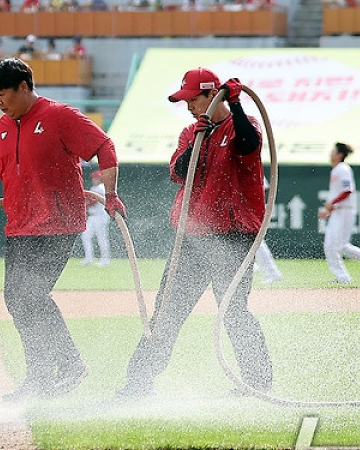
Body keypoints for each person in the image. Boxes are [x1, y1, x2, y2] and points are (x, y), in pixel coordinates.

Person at [0, 58, 125, 401]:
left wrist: (110, 194)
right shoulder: (4, 126)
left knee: (30, 295)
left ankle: (70, 365)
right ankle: (39, 379)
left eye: (2, 93)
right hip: (20, 225)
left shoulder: (60, 116)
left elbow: (103, 147)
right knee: (17, 300)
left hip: (57, 223)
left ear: (24, 86)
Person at [116, 68, 272, 399]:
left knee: (233, 311)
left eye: (193, 99)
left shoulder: (241, 125)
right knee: (167, 311)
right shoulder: (191, 133)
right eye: (185, 100)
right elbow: (179, 171)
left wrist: (237, 104)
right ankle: (138, 382)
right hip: (193, 237)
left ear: (211, 94)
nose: (188, 106)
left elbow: (249, 145)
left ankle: (258, 382)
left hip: (232, 236)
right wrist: (198, 141)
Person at [318, 142, 360, 284]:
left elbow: (348, 190)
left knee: (338, 246)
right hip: (338, 212)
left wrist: (332, 203)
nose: (331, 154)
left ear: (340, 154)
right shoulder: (336, 170)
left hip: (345, 211)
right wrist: (329, 210)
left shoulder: (343, 169)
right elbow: (339, 193)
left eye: (334, 151)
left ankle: (348, 274)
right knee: (332, 246)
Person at [80, 171, 110, 267]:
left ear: (100, 179)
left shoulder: (101, 188)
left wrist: (83, 204)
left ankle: (105, 260)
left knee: (101, 238)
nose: (94, 180)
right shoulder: (94, 188)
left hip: (100, 216)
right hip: (92, 216)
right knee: (85, 236)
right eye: (93, 178)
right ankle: (89, 258)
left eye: (96, 178)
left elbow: (93, 201)